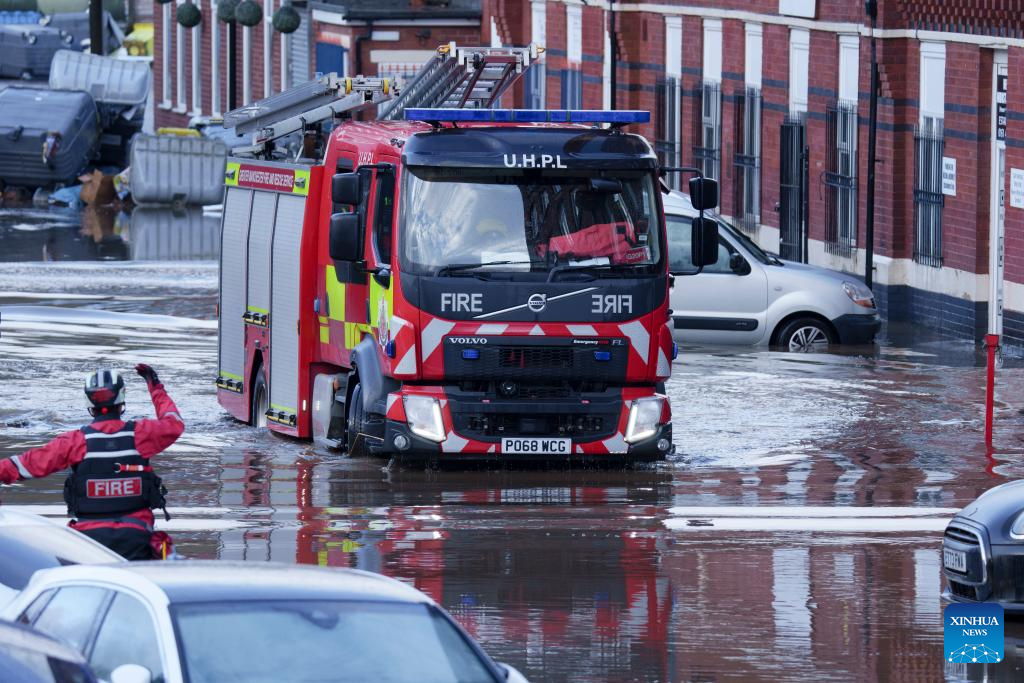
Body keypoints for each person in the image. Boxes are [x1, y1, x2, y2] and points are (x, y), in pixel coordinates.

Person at [0, 365, 184, 560]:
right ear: (121, 397)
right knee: (168, 557)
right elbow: (174, 423)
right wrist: (154, 385)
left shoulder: (74, 441)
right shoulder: (141, 434)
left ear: (89, 401)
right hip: (138, 539)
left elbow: (22, 466)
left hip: (86, 546)